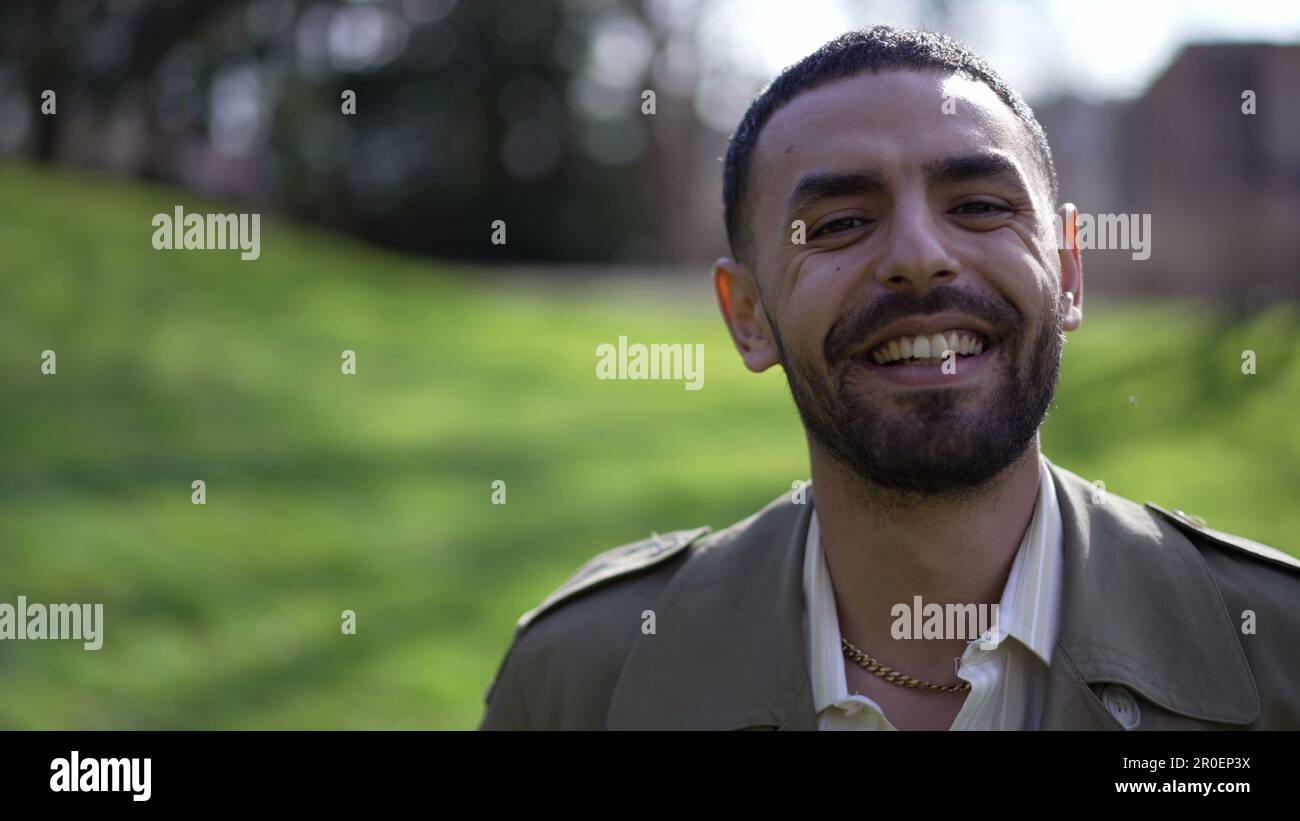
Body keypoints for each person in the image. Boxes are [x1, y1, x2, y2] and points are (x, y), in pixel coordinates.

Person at [480, 26, 1300, 731]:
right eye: (840, 223)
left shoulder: (1278, 654)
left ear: (1069, 270)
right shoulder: (583, 681)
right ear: (748, 314)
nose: (918, 256)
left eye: (979, 206)